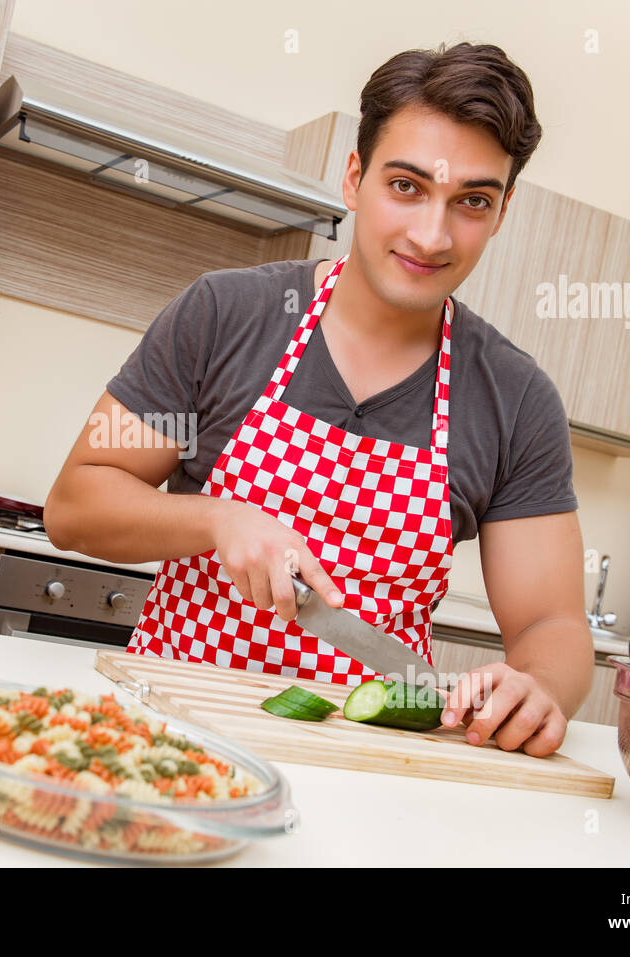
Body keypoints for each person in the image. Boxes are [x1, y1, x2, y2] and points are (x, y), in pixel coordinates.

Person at [44, 42, 592, 758]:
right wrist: (215, 517)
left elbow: (553, 624)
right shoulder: (224, 317)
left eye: (471, 202)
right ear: (355, 177)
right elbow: (75, 505)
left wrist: (542, 686)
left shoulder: (515, 400)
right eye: (406, 186)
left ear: (501, 211)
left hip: (372, 762)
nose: (432, 233)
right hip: (169, 734)